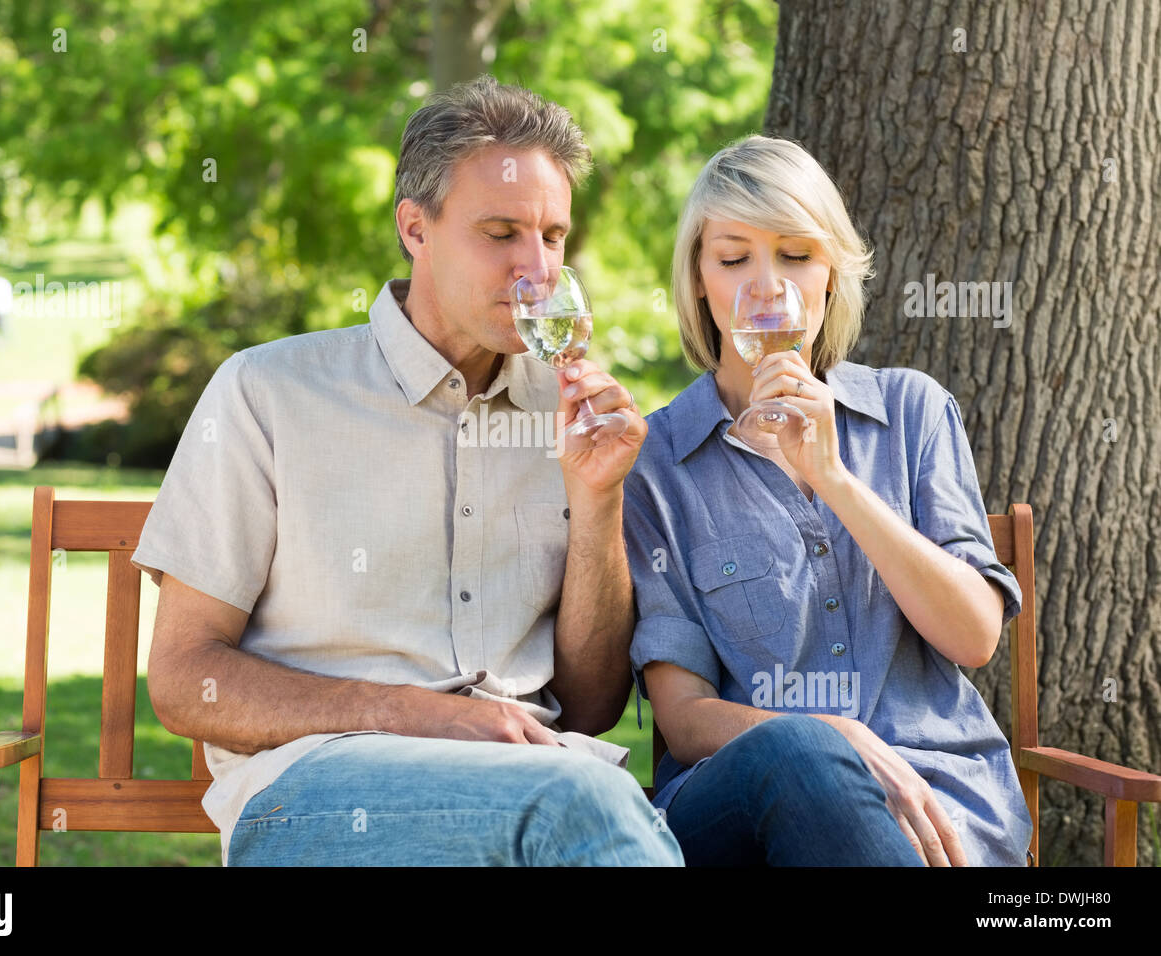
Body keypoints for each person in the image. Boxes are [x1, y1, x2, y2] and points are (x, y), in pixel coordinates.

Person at [130, 75, 682, 866]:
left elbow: (589, 707)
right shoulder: (269, 392)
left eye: (553, 237)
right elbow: (185, 679)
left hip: (533, 784)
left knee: (597, 801)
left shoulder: (568, 416)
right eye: (501, 234)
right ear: (415, 228)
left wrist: (598, 503)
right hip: (318, 791)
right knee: (587, 805)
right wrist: (411, 714)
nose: (538, 270)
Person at [623, 134, 1034, 866]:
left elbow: (974, 638)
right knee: (803, 755)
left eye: (795, 255)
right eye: (733, 257)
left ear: (831, 276)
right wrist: (832, 739)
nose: (765, 286)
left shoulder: (912, 412)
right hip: (752, 800)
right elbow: (684, 722)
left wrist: (835, 480)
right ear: (697, 281)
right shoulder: (655, 461)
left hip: (942, 799)